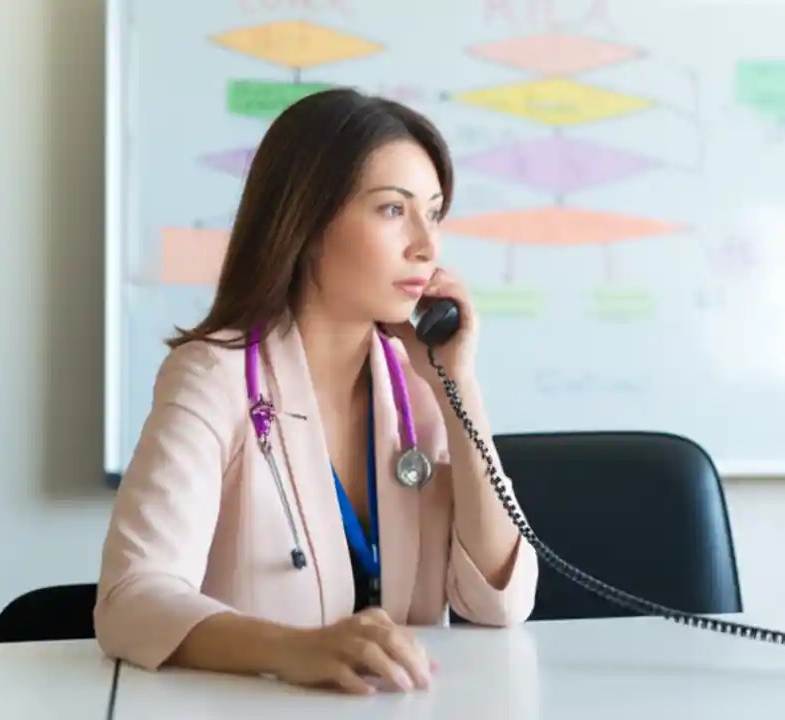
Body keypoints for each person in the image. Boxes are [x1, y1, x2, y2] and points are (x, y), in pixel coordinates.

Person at [94, 87, 539, 695]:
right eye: (393, 210)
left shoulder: (419, 383)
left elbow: (500, 601)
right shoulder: (212, 377)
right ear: (307, 221)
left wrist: (456, 385)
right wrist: (292, 650)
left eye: (433, 213)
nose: (426, 245)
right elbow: (130, 600)